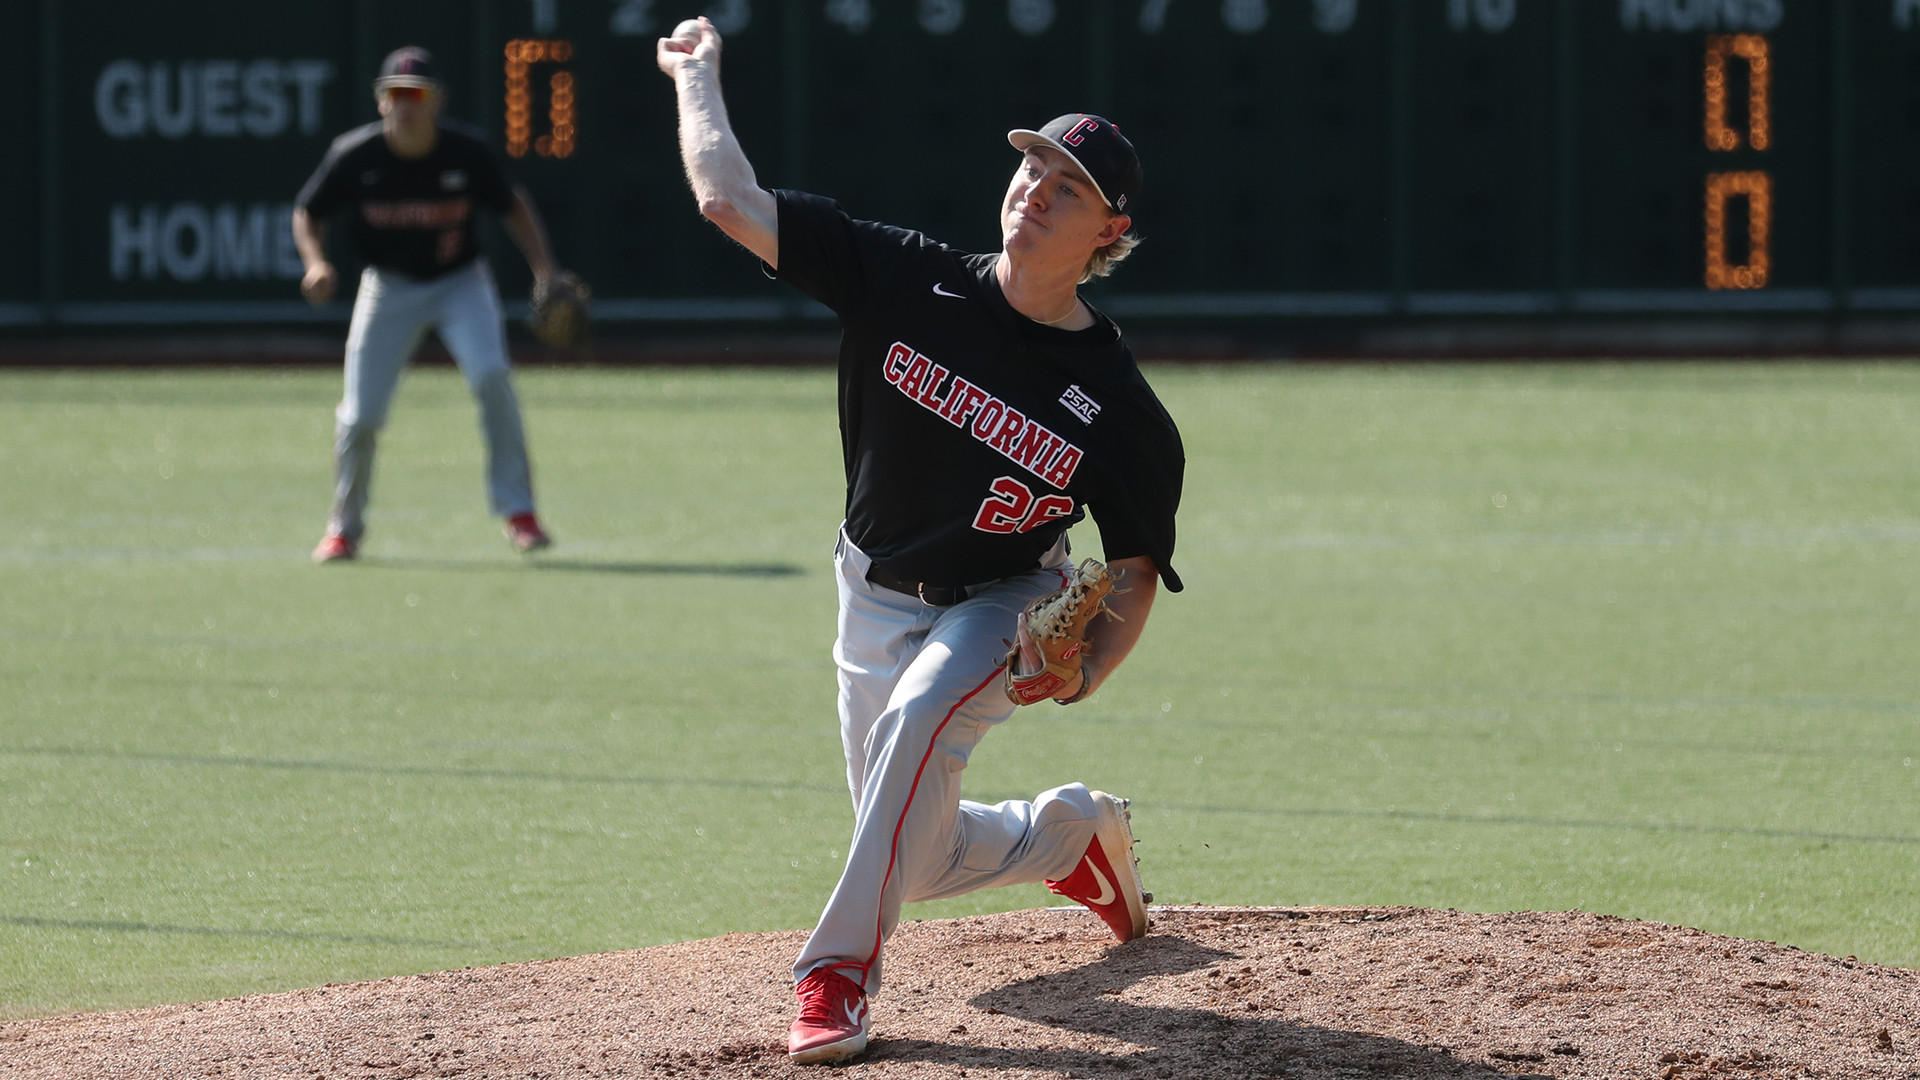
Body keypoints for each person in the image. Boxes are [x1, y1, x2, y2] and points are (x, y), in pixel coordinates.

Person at [657, 17, 1185, 1066]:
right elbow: (727, 199)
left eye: (1067, 184)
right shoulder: (905, 278)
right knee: (919, 850)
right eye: (1032, 165)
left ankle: (836, 974)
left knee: (916, 722)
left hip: (999, 605)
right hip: (870, 592)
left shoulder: (1121, 410)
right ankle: (1073, 836)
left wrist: (1080, 676)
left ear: (1109, 229)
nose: (1035, 187)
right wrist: (696, 74)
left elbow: (1132, 572)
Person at [293, 46, 561, 563]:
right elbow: (308, 210)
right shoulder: (355, 155)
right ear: (380, 102)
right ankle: (344, 528)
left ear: (436, 102)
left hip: (461, 281)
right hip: (388, 286)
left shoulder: (468, 152)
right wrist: (315, 261)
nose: (405, 105)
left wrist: (545, 270)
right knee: (360, 415)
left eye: (416, 95)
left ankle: (520, 512)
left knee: (491, 378)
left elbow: (513, 205)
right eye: (395, 95)